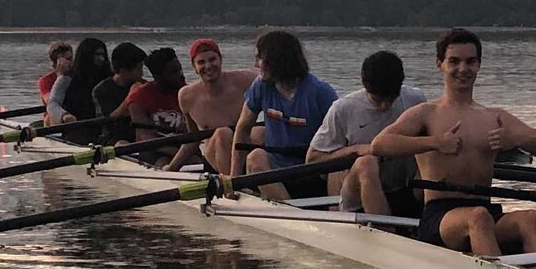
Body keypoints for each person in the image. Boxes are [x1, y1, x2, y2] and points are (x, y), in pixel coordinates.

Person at [371, 28, 536, 265]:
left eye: (470, 62)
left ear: (479, 65)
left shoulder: (494, 116)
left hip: (485, 208)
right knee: (478, 218)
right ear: (439, 64)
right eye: (454, 61)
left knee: (531, 218)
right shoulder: (426, 113)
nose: (463, 69)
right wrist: (435, 142)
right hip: (440, 216)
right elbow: (379, 145)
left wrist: (517, 140)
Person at [307, 49, 430, 218]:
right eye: (377, 100)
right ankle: (386, 232)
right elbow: (313, 160)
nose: (384, 106)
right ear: (364, 85)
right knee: (367, 162)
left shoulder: (415, 100)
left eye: (391, 99)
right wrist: (357, 150)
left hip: (404, 188)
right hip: (356, 195)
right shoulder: (343, 108)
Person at [230, 29, 337, 201]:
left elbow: (340, 141)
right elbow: (242, 129)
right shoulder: (262, 86)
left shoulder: (320, 93)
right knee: (255, 157)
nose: (256, 65)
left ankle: (297, 211)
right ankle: (289, 211)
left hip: (311, 172)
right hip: (276, 171)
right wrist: (233, 180)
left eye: (259, 58)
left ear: (277, 60)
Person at [177, 37, 252, 172]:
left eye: (212, 60)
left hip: (244, 152)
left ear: (220, 59)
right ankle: (233, 185)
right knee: (223, 133)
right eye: (201, 62)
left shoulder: (245, 80)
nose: (208, 66)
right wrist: (171, 168)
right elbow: (193, 138)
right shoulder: (186, 96)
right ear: (194, 67)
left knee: (259, 131)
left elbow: (273, 78)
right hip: (215, 160)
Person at [117, 46, 191, 157]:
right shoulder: (138, 98)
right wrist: (181, 156)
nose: (181, 75)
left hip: (185, 147)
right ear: (158, 77)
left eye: (180, 69)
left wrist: (191, 126)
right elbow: (146, 138)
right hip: (152, 150)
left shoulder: (190, 93)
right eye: (174, 72)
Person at [48, 37, 112, 128]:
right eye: (97, 55)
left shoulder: (109, 78)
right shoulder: (67, 78)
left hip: (104, 128)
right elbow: (53, 103)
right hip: (77, 127)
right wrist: (64, 115)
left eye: (103, 55)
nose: (101, 59)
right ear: (86, 55)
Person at [91, 42, 149, 134]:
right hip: (114, 136)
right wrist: (132, 96)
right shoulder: (101, 90)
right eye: (138, 69)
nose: (141, 73)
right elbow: (108, 120)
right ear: (123, 70)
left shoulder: (144, 85)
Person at [35, 40, 75, 117]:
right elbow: (50, 102)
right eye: (66, 60)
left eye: (71, 58)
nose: (70, 63)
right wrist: (60, 76)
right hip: (54, 118)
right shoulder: (45, 80)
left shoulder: (76, 76)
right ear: (56, 62)